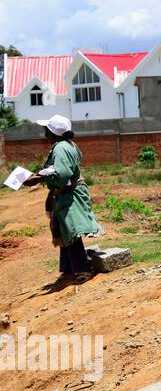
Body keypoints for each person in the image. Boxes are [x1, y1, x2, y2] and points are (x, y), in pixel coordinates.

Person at [21, 114, 101, 282]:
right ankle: (68, 267)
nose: (44, 132)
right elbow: (61, 168)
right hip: (69, 193)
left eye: (46, 129)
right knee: (64, 230)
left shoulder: (59, 148)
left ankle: (82, 270)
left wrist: (40, 179)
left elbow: (63, 173)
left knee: (70, 231)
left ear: (52, 133)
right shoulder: (67, 144)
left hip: (69, 194)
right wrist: (43, 175)